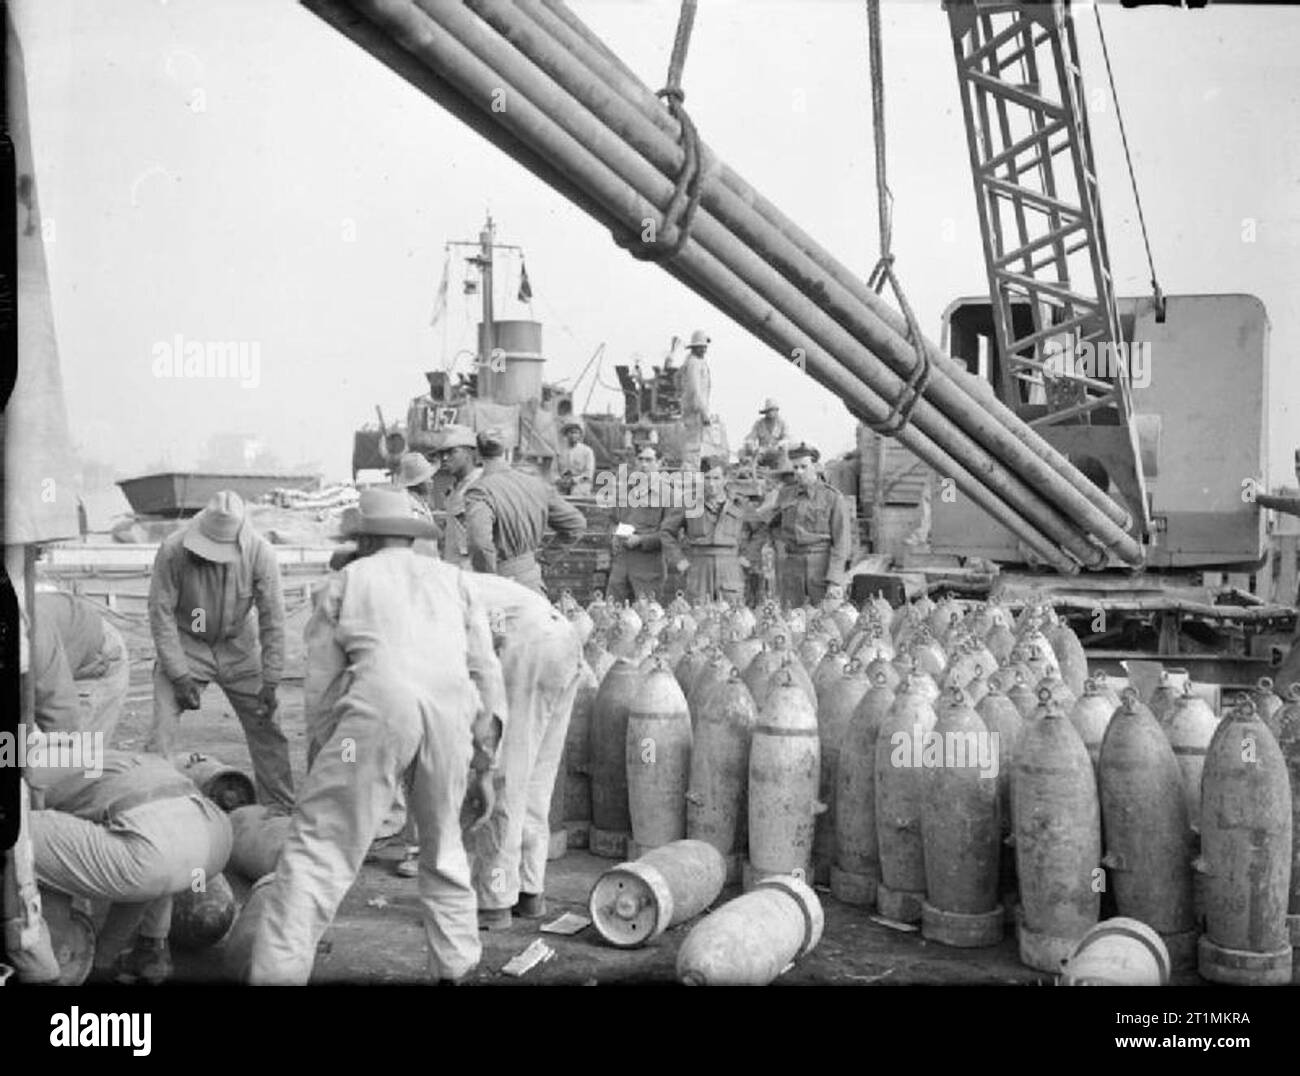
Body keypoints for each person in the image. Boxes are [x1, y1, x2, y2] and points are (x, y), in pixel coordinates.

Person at [249, 488, 508, 985]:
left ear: (363, 537)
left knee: (318, 851)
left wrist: (329, 758)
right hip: (452, 711)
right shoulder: (454, 579)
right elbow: (486, 673)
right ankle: (454, 969)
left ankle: (276, 975)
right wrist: (484, 760)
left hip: (378, 709)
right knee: (444, 844)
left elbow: (321, 687)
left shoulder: (346, 581)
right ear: (413, 536)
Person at [389, 573, 583, 927]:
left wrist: (481, 761)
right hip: (562, 639)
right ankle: (528, 890)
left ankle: (494, 901)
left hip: (525, 648)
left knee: (503, 778)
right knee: (536, 777)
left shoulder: (411, 606)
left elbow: (475, 688)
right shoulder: (435, 584)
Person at [27, 750, 233, 985]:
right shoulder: (123, 758)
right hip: (212, 850)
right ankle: (145, 952)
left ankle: (46, 968)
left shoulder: (42, 765)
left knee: (23, 832)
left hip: (157, 851)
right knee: (152, 869)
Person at [146, 490, 293, 812]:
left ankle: (279, 810)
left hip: (239, 646)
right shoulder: (173, 549)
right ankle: (151, 807)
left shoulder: (260, 553)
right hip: (188, 644)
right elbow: (161, 613)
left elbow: (273, 620)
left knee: (267, 728)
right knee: (162, 731)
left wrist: (271, 680)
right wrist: (179, 673)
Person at [463, 428, 586, 594]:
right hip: (532, 580)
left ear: (477, 454)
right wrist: (543, 559)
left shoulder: (479, 491)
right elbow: (576, 524)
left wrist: (488, 580)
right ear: (507, 451)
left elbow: (479, 543)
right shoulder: (535, 484)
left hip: (501, 584)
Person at [762, 442, 854, 606]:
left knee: (822, 622)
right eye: (795, 467)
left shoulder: (832, 497)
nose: (798, 472)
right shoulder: (785, 494)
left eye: (803, 467)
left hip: (820, 568)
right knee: (793, 622)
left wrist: (835, 579)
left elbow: (842, 542)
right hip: (792, 568)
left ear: (816, 467)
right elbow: (772, 526)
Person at [35, 590, 131, 744]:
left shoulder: (33, 639)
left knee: (72, 757)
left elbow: (63, 723)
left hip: (96, 660)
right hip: (63, 642)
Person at [659, 456, 749, 605]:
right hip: (698, 567)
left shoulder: (739, 504)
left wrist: (748, 557)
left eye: (716, 478)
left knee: (733, 616)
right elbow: (666, 532)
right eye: (707, 478)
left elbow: (761, 530)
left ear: (725, 479)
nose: (711, 484)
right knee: (697, 614)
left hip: (729, 567)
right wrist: (679, 560)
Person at [607, 443, 669, 603]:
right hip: (621, 564)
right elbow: (614, 520)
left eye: (649, 460)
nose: (643, 464)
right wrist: (614, 535)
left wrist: (641, 540)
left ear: (660, 462)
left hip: (648, 566)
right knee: (613, 613)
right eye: (640, 459)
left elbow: (672, 535)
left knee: (647, 617)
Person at [433, 424, 483, 569]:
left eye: (452, 452)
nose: (444, 458)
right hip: (455, 570)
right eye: (442, 453)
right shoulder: (455, 490)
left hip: (474, 574)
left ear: (468, 453)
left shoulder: (480, 487)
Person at [743, 399, 790, 464]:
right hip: (762, 455)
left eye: (773, 410)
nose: (771, 413)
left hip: (778, 455)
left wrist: (780, 444)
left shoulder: (782, 423)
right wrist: (750, 444)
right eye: (769, 410)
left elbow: (786, 438)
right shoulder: (759, 423)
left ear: (777, 410)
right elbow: (751, 437)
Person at [555, 421, 596, 497]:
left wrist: (573, 480)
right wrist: (559, 480)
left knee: (576, 493)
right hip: (562, 483)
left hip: (580, 483)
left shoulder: (587, 451)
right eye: (570, 432)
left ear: (580, 435)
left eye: (576, 433)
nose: (573, 435)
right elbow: (554, 470)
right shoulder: (559, 451)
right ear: (566, 435)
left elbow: (588, 474)